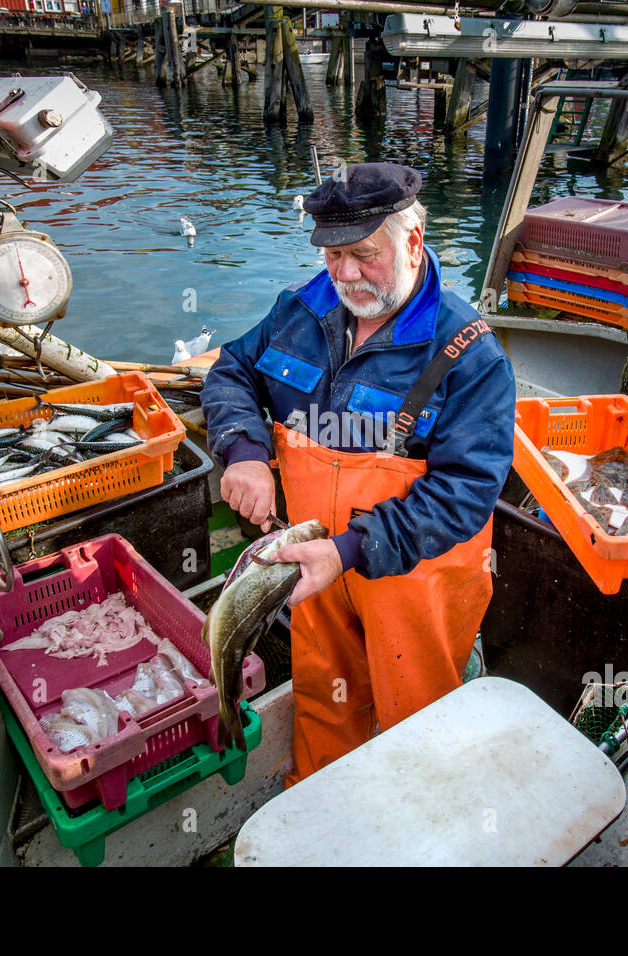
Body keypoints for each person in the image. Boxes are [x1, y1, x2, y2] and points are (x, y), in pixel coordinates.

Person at [201, 162, 515, 784]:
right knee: (325, 692)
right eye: (332, 255)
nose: (344, 274)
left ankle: (416, 834)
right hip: (313, 559)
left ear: (413, 242)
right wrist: (243, 450)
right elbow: (231, 370)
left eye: (364, 256)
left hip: (413, 576)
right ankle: (320, 809)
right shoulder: (299, 310)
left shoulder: (471, 355)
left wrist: (350, 550)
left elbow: (466, 491)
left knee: (419, 715)